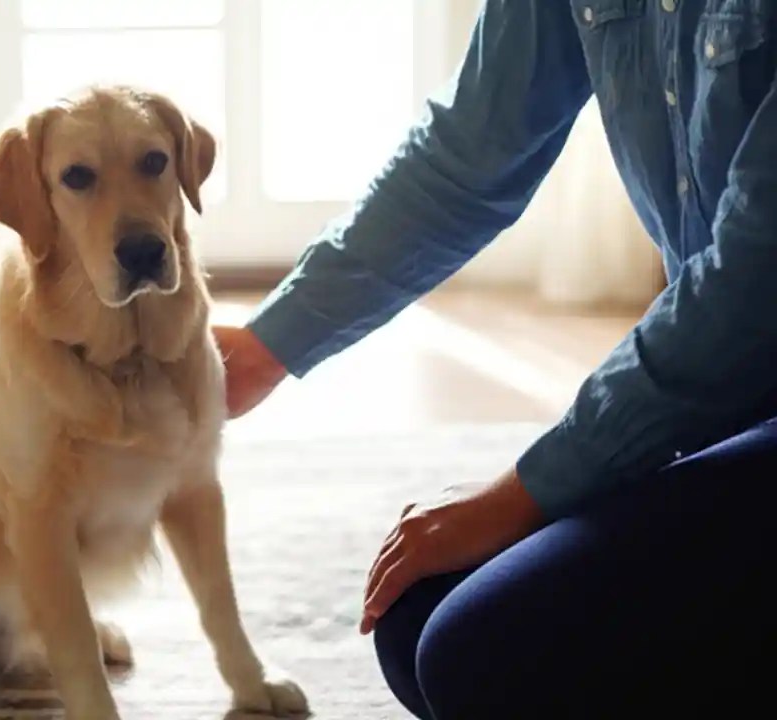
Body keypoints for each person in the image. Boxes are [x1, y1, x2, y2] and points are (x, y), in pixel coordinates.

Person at [213, 2, 776, 718]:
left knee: (476, 652)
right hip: (732, 407)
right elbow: (466, 154)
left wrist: (520, 496)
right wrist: (264, 349)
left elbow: (750, 286)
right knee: (418, 613)